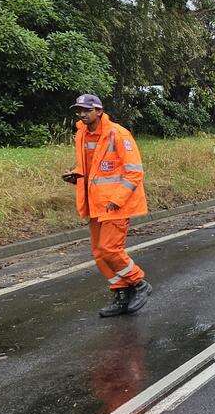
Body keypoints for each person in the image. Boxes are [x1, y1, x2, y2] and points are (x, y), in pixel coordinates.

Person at [62, 94, 152, 317]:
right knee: (99, 253)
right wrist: (76, 174)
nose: (82, 114)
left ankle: (139, 283)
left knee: (110, 249)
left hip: (116, 205)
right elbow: (93, 168)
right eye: (79, 110)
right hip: (95, 203)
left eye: (87, 110)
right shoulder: (82, 133)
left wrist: (117, 200)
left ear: (99, 111)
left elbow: (134, 172)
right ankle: (121, 294)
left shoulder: (119, 134)